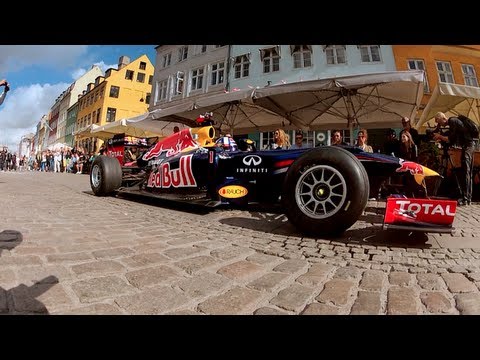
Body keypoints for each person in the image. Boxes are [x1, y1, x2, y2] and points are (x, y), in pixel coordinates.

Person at [433, 111, 476, 206]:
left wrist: (440, 136)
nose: (440, 125)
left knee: (466, 172)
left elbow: (450, 139)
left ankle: (466, 198)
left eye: (439, 122)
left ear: (443, 118)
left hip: (468, 146)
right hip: (468, 146)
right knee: (467, 172)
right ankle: (467, 198)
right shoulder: (454, 122)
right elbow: (452, 138)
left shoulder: (453, 121)